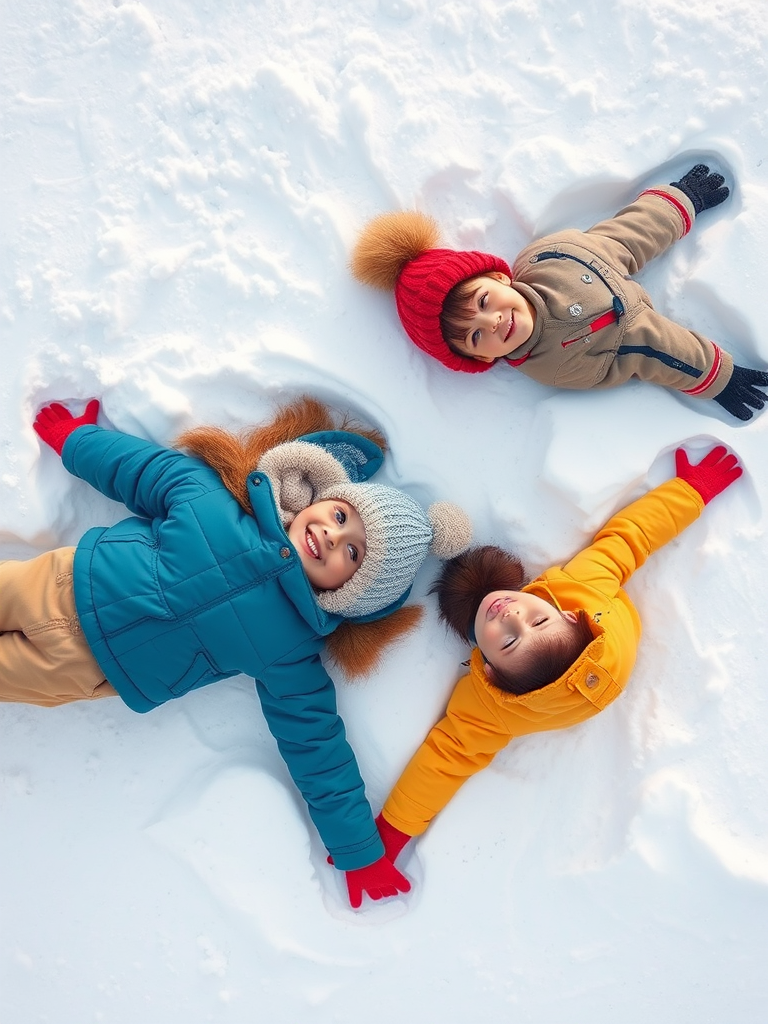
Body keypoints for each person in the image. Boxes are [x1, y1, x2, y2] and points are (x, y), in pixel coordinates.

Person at [1, 394, 472, 909]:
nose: (331, 535)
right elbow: (142, 470)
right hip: (62, 585)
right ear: (322, 495)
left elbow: (317, 747)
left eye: (353, 552)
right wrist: (78, 441)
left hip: (88, 670)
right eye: (341, 514)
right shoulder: (213, 500)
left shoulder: (292, 649)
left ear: (354, 591)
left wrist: (358, 850)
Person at [366, 444, 742, 881]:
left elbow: (445, 758)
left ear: (487, 672)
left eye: (507, 642)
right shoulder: (584, 590)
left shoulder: (491, 709)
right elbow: (631, 538)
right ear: (563, 613)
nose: (512, 615)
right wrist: (691, 491)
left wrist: (390, 836)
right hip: (604, 637)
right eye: (535, 618)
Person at [351, 164, 768, 420]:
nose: (493, 321)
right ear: (481, 358)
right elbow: (648, 352)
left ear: (497, 278)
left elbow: (626, 236)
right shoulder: (552, 365)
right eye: (476, 335)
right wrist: (717, 376)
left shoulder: (549, 258)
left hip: (599, 267)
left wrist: (682, 200)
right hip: (625, 332)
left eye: (482, 302)